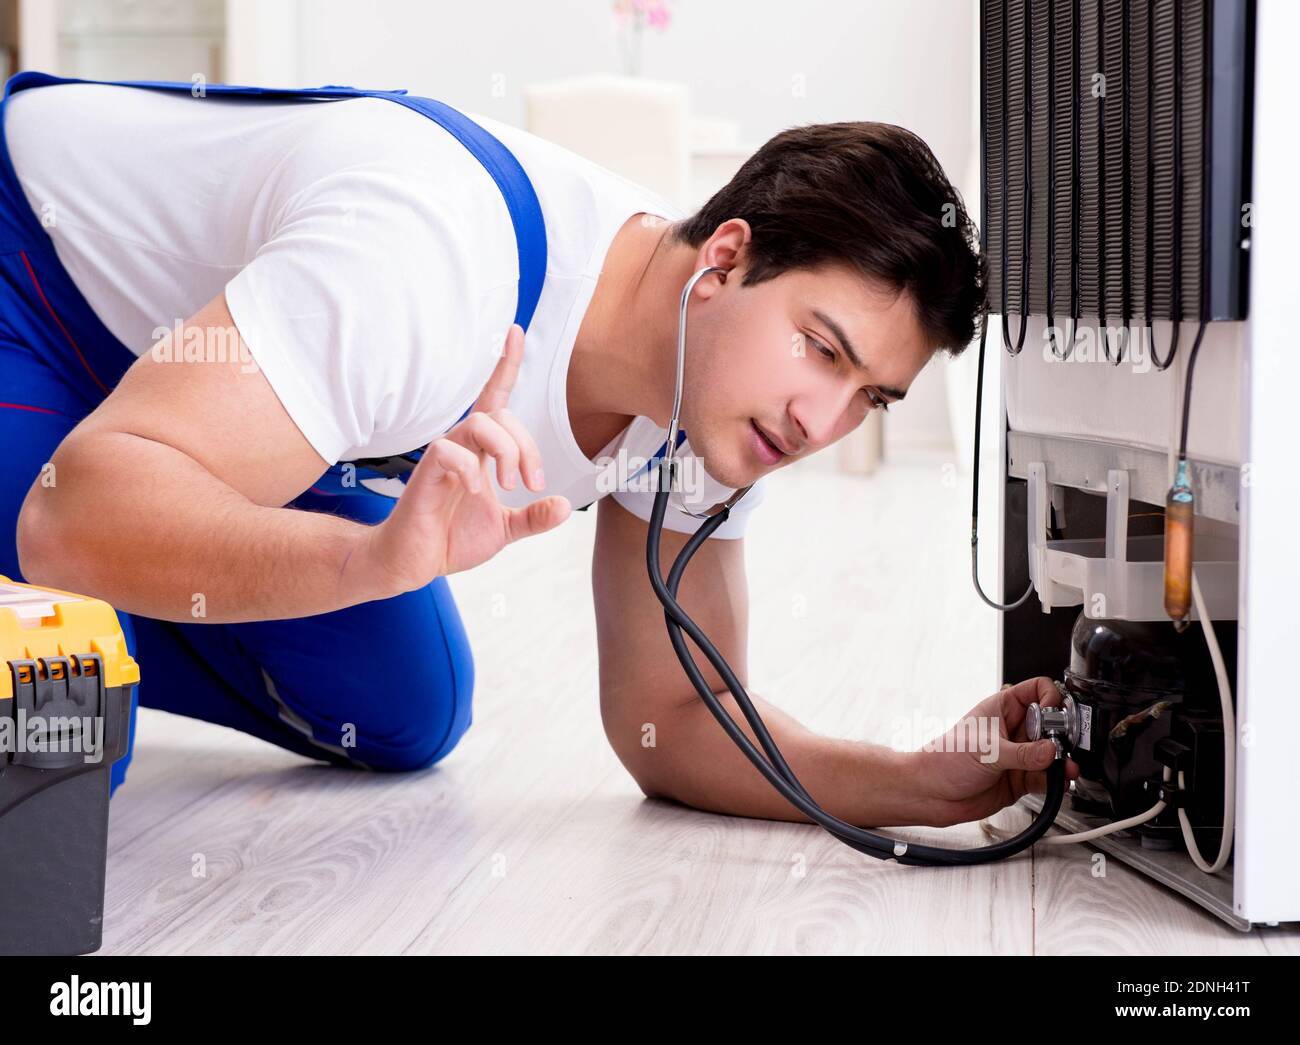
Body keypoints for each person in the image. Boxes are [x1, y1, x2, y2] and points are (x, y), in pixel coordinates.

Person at [1, 77, 1077, 825]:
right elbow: (70, 512)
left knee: (403, 709)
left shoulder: (714, 409)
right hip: (37, 290)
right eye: (821, 348)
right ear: (728, 257)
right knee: (67, 725)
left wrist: (916, 778)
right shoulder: (427, 266)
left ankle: (134, 545)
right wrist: (367, 561)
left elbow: (670, 720)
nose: (820, 422)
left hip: (224, 398)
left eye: (868, 397)